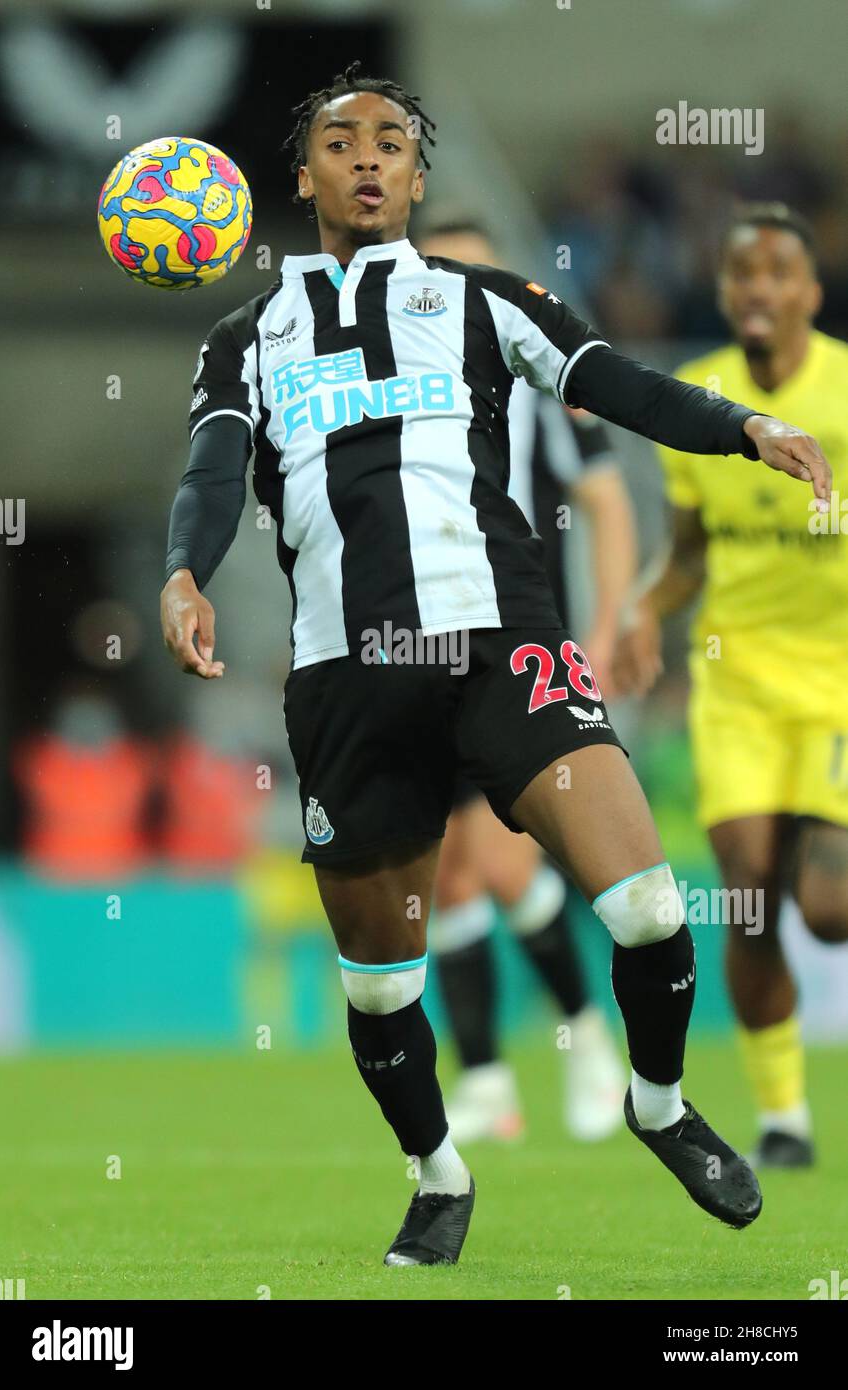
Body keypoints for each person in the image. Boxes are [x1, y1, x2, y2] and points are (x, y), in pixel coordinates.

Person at [161, 64, 831, 1266]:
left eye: (389, 143)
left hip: (499, 645)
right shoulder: (246, 337)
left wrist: (739, 427)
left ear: (418, 176)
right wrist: (180, 570)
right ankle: (435, 1172)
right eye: (338, 142)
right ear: (303, 175)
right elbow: (213, 475)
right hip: (345, 676)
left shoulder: (485, 300)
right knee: (377, 990)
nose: (365, 158)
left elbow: (609, 383)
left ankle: (659, 1103)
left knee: (644, 906)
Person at [615, 203, 848, 1168]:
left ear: (809, 292)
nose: (756, 287)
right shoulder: (700, 403)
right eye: (739, 273)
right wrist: (639, 608)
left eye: (775, 273)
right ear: (722, 292)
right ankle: (784, 1115)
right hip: (738, 685)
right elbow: (688, 554)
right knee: (750, 897)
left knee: (831, 911)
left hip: (839, 685)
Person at [416, 218, 632, 1144]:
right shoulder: (395, 380)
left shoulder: (537, 380)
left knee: (502, 863)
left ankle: (587, 1037)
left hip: (513, 643)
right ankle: (487, 1080)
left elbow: (606, 503)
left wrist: (605, 628)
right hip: (412, 644)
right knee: (447, 875)